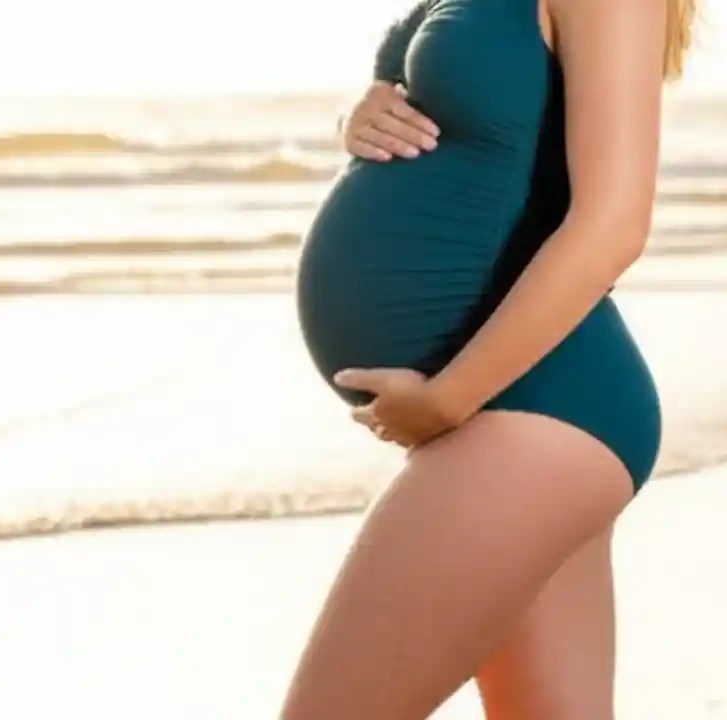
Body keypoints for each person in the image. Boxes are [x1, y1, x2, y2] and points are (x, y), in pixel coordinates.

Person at [286, 0, 695, 716]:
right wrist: (365, 116)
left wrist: (450, 397)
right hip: (516, 417)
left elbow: (614, 223)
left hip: (536, 406)